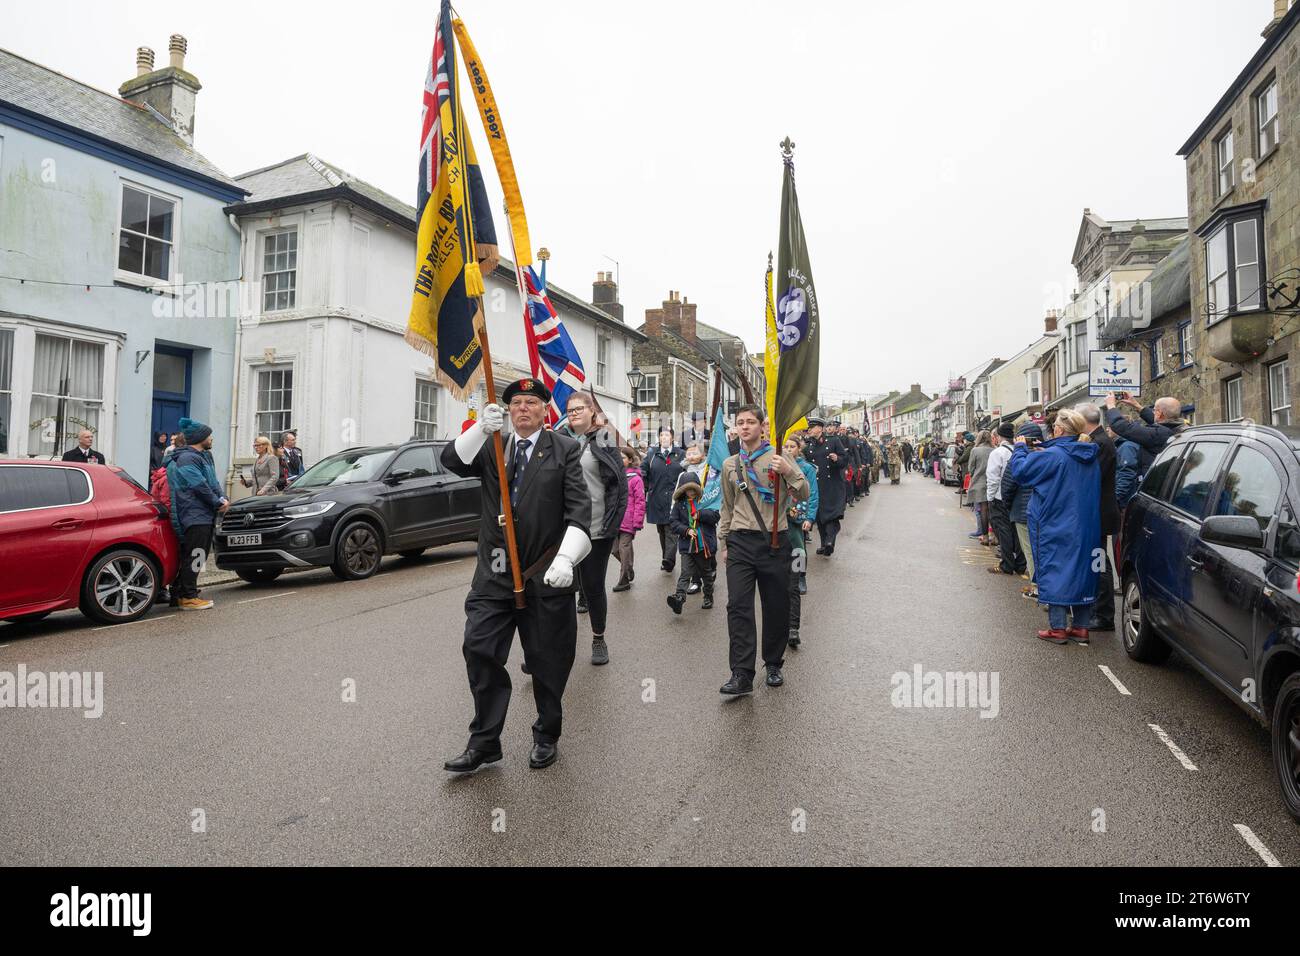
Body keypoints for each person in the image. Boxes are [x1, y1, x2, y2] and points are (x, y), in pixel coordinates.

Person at [439, 378, 591, 773]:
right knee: (479, 649)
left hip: (545, 573)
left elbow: (579, 512)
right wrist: (480, 428)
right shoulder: (494, 446)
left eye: (531, 402)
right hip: (495, 574)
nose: (522, 408)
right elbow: (452, 462)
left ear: (545, 410)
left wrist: (566, 559)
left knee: (548, 661)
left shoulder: (565, 449)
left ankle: (546, 734)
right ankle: (485, 742)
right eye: (516, 403)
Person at [716, 404, 809, 695]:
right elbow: (727, 506)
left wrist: (788, 471)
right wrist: (724, 541)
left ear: (762, 426)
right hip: (741, 542)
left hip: (775, 541)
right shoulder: (731, 464)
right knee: (738, 607)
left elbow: (803, 491)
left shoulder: (780, 457)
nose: (744, 427)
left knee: (775, 606)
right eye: (740, 422)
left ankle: (773, 663)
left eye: (750, 422)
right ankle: (741, 673)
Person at [1008, 409, 1100, 645]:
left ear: (1058, 430)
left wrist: (1020, 448)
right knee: (1082, 571)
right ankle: (1080, 626)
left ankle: (1058, 627)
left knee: (1055, 569)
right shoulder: (1089, 454)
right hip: (1086, 524)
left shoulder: (1053, 456)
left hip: (1055, 522)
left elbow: (1020, 472)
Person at [565, 392, 628, 665]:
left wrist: (612, 523)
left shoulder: (603, 440)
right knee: (558, 589)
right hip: (566, 527)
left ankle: (598, 638)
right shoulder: (561, 441)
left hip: (596, 527)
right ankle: (550, 648)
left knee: (592, 586)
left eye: (579, 408)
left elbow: (619, 485)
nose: (573, 413)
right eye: (569, 410)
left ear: (592, 411)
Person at [166, 418, 230, 611]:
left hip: (205, 513)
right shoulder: (187, 458)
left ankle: (179, 593)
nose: (211, 438)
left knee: (197, 555)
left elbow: (213, 482)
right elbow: (198, 485)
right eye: (209, 435)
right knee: (195, 555)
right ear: (201, 438)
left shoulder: (204, 457)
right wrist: (217, 502)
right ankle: (188, 596)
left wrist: (222, 497)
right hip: (195, 514)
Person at [1077, 403, 1118, 632]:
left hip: (1100, 514)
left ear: (1084, 422)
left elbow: (1092, 478)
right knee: (1096, 561)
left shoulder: (1100, 443)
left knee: (1099, 563)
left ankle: (1103, 615)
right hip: (1097, 512)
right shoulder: (1097, 440)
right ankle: (1097, 609)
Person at [783, 433, 819, 648]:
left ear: (799, 448)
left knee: (799, 551)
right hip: (780, 519)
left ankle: (800, 575)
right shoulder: (776, 464)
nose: (788, 449)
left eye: (792, 446)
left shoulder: (806, 469)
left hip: (798, 517)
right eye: (785, 445)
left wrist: (808, 518)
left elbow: (811, 493)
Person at [666, 470, 718, 614]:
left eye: (694, 489)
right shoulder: (679, 505)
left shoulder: (705, 501)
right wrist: (686, 530)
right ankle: (679, 598)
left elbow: (715, 516)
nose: (691, 492)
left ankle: (708, 596)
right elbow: (673, 522)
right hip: (687, 546)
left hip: (703, 546)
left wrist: (700, 514)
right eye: (688, 489)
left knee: (706, 573)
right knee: (685, 573)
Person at [1002, 421, 1043, 599]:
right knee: (1043, 550)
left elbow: (1008, 484)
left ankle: (1037, 588)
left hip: (1022, 509)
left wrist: (1008, 505)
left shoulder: (1020, 456)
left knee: (1031, 551)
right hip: (1044, 509)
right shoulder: (1047, 454)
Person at [1103, 394, 1187, 472]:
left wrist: (1111, 406)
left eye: (1154, 410)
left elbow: (1123, 427)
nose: (1153, 412)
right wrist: (1136, 405)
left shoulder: (1158, 434)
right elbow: (1160, 421)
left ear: (1159, 413)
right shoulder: (1179, 427)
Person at [642, 427, 686, 573]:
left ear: (672, 438)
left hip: (675, 499)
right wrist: (649, 488)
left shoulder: (680, 454)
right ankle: (666, 557)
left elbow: (688, 473)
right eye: (661, 435)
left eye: (667, 435)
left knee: (671, 529)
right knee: (662, 530)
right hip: (657, 499)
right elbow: (644, 472)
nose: (664, 437)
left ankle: (668, 560)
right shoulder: (652, 454)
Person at [985, 423, 1025, 577]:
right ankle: (1020, 564)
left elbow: (993, 478)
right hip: (1017, 496)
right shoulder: (1020, 450)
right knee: (1016, 530)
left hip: (1000, 496)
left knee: (1003, 530)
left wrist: (990, 498)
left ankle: (1006, 564)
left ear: (999, 436)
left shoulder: (998, 453)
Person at [804, 417, 846, 556]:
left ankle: (829, 542)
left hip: (833, 485)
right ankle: (824, 544)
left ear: (821, 429)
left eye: (813, 427)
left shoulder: (833, 441)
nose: (809, 429)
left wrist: (837, 459)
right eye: (809, 427)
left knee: (832, 515)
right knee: (821, 516)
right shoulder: (808, 446)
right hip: (817, 485)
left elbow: (845, 459)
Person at [614, 447, 645, 593]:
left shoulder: (636, 479)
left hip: (628, 521)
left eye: (624, 458)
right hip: (614, 519)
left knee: (624, 548)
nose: (621, 460)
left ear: (631, 460)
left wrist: (637, 521)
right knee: (614, 550)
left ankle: (623, 581)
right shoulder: (616, 475)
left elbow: (640, 501)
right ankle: (629, 568)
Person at [966, 431, 993, 542]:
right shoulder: (994, 450)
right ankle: (994, 536)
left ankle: (985, 536)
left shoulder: (975, 450)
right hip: (992, 481)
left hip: (979, 482)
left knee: (983, 510)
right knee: (992, 510)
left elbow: (971, 468)